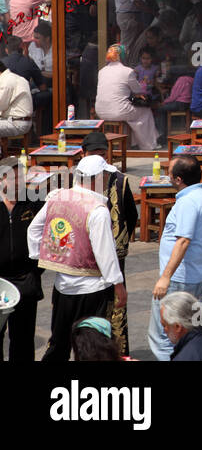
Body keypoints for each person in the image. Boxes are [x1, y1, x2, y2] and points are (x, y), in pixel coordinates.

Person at [26, 155, 127, 362]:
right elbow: (104, 252)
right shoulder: (97, 210)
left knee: (58, 343)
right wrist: (118, 284)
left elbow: (33, 230)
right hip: (92, 290)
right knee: (92, 347)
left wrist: (45, 255)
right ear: (96, 178)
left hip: (63, 287)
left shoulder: (59, 198)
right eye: (105, 176)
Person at [149, 154, 202, 360]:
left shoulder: (188, 203)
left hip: (181, 281)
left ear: (178, 179)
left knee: (163, 334)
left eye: (169, 173)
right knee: (197, 328)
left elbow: (183, 241)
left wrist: (165, 277)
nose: (167, 176)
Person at [81, 130, 137, 354]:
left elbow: (131, 215)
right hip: (87, 256)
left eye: (102, 154)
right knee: (95, 307)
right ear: (83, 154)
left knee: (114, 306)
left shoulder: (120, 180)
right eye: (95, 153)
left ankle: (114, 353)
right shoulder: (73, 181)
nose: (99, 158)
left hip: (111, 254)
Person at [1, 156, 43, 361]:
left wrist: (36, 270)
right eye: (12, 179)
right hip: (0, 282)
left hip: (25, 280)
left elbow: (49, 236)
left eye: (21, 178)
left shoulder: (35, 202)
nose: (17, 183)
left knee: (23, 340)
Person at [94, 43, 158, 151]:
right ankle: (148, 145)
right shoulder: (128, 71)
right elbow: (138, 90)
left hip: (101, 111)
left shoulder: (102, 71)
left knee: (130, 113)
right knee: (146, 112)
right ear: (123, 56)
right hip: (119, 111)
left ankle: (132, 142)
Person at [0, 56, 34, 142]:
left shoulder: (6, 81)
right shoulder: (13, 77)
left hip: (17, 123)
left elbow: (1, 105)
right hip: (18, 121)